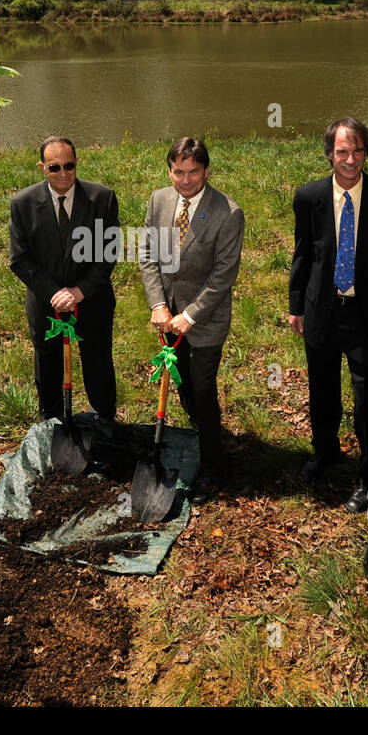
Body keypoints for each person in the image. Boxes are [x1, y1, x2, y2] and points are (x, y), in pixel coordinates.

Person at [289, 118, 368, 512]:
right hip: (321, 312)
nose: (350, 159)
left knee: (366, 398)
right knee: (322, 389)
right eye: (342, 151)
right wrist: (296, 306)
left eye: (358, 150)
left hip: (367, 316)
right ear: (329, 154)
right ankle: (324, 452)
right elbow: (303, 254)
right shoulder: (309, 197)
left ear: (366, 153)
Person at [140, 137, 244, 500]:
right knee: (182, 384)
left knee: (202, 389)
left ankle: (213, 467)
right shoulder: (159, 200)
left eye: (193, 172)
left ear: (206, 171)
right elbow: (149, 255)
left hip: (205, 319)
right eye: (178, 172)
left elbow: (223, 275)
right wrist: (158, 305)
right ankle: (204, 430)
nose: (185, 180)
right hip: (167, 316)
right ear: (169, 170)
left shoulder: (227, 212)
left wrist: (190, 315)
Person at [9, 136, 119, 424]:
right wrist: (55, 293)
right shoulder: (22, 204)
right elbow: (19, 259)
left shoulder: (102, 198)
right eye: (54, 167)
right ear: (42, 167)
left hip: (92, 302)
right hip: (46, 304)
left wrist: (80, 292)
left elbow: (108, 254)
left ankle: (105, 421)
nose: (63, 174)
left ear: (77, 163)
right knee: (48, 365)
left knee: (98, 363)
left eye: (69, 166)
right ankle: (52, 423)